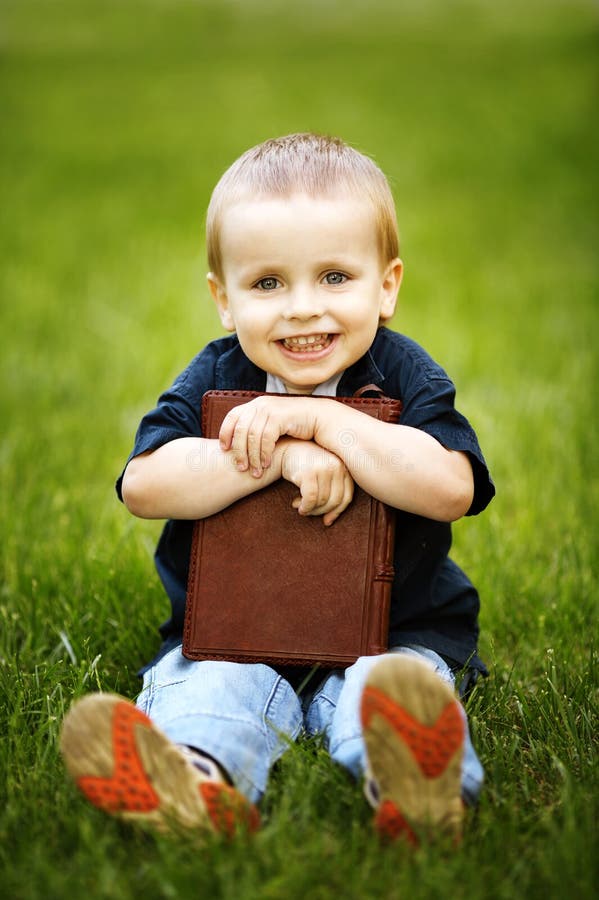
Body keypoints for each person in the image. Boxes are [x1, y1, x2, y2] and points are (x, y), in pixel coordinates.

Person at [60, 133, 495, 844]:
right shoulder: (214, 375)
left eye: (333, 277)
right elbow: (144, 485)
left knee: (387, 690)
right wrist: (274, 455)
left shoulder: (404, 373)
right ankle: (193, 781)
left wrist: (319, 419)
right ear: (223, 299)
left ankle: (417, 781)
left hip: (392, 634)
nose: (299, 308)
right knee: (208, 691)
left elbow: (448, 486)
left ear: (386, 286)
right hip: (234, 638)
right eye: (266, 283)